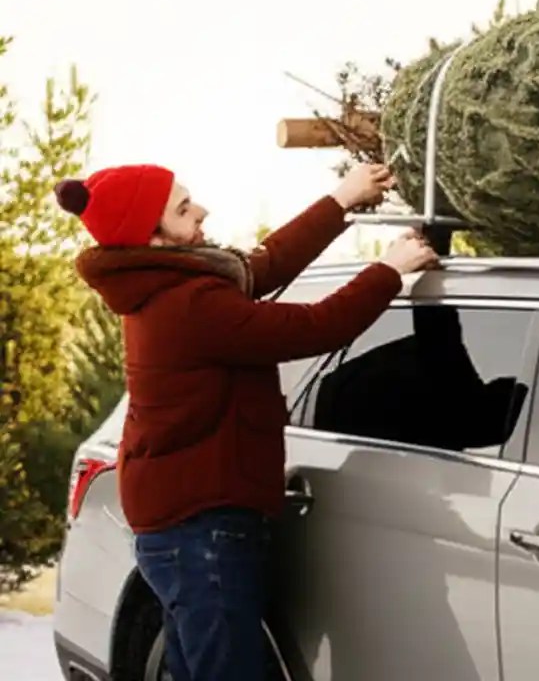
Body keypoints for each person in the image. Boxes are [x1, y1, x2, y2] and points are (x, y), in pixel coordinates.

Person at [55, 162, 437, 681]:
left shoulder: (173, 282)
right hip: (199, 531)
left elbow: (263, 265)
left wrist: (342, 200)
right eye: (183, 208)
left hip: (181, 526)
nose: (202, 210)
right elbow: (314, 326)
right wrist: (388, 271)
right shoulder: (188, 305)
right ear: (151, 235)